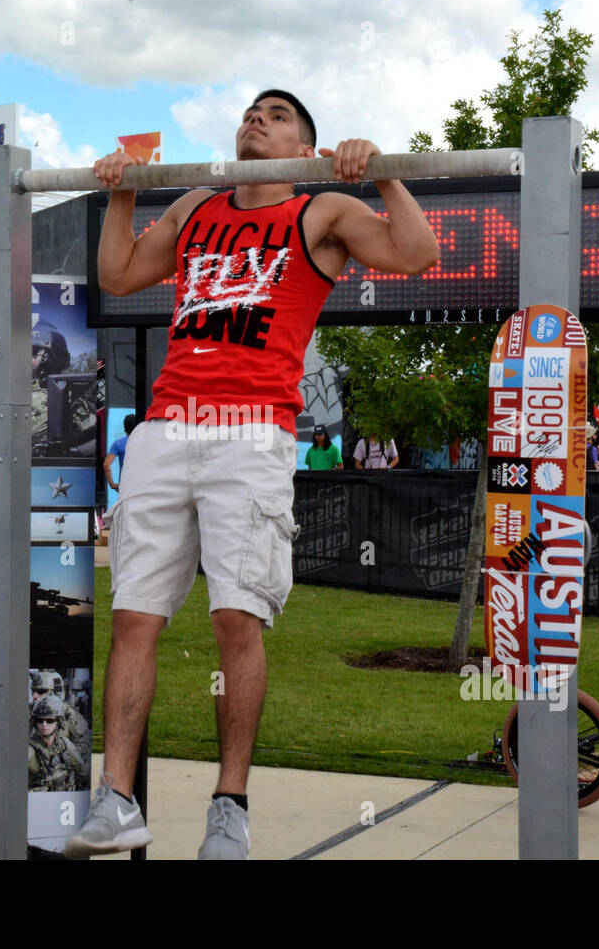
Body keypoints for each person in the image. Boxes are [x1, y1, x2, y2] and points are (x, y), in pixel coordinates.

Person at [65, 88, 438, 860]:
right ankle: (119, 798)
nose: (256, 120)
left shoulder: (322, 212)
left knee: (236, 617)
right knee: (135, 615)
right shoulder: (199, 204)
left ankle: (229, 807)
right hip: (167, 427)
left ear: (305, 140)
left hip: (252, 431)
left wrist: (384, 176)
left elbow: (416, 253)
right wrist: (122, 194)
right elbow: (122, 274)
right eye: (250, 113)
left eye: (276, 115)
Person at [27, 695, 87, 792]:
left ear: (59, 721)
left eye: (50, 720)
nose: (44, 724)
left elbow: (83, 773)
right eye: (40, 720)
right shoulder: (30, 752)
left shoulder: (64, 744)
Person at [104, 414, 141, 491]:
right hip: (142, 485)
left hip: (125, 485)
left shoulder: (118, 443)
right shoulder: (144, 442)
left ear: (124, 427)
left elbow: (106, 464)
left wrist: (112, 484)